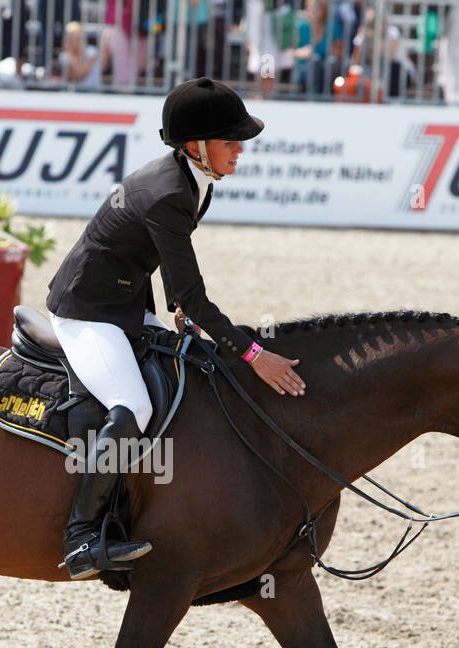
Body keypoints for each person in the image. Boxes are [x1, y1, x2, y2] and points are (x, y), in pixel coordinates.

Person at [45, 77, 305, 579]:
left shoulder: (192, 182)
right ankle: (81, 537)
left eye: (239, 141)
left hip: (125, 300)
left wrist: (173, 308)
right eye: (229, 141)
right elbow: (194, 295)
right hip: (86, 309)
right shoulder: (169, 192)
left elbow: (165, 268)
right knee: (133, 406)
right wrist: (254, 354)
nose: (239, 150)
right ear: (195, 146)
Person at [59, 20, 102, 89]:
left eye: (78, 37)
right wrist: (71, 54)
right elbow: (74, 78)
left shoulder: (91, 51)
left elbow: (81, 74)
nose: (75, 40)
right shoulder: (65, 56)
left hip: (93, 92)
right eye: (72, 38)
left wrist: (71, 55)